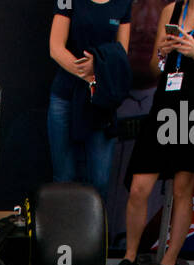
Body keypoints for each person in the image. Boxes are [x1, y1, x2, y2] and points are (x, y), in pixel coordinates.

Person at [111, 0, 194, 265]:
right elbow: (156, 69)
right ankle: (130, 255)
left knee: (183, 188)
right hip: (164, 106)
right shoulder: (172, 10)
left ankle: (169, 261)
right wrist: (163, 54)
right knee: (138, 187)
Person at [48, 0, 133, 202]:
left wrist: (99, 68)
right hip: (66, 97)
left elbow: (121, 53)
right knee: (64, 178)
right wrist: (85, 73)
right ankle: (64, 232)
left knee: (99, 181)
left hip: (101, 101)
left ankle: (91, 233)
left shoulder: (123, 3)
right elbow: (56, 47)